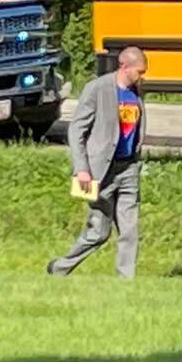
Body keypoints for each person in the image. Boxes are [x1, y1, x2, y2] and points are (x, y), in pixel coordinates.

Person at [48, 46, 147, 279]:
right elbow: (77, 130)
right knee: (98, 232)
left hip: (128, 167)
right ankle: (59, 268)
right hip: (101, 171)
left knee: (130, 229)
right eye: (139, 72)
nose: (142, 77)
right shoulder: (97, 89)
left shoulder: (137, 92)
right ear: (124, 66)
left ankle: (126, 280)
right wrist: (81, 169)